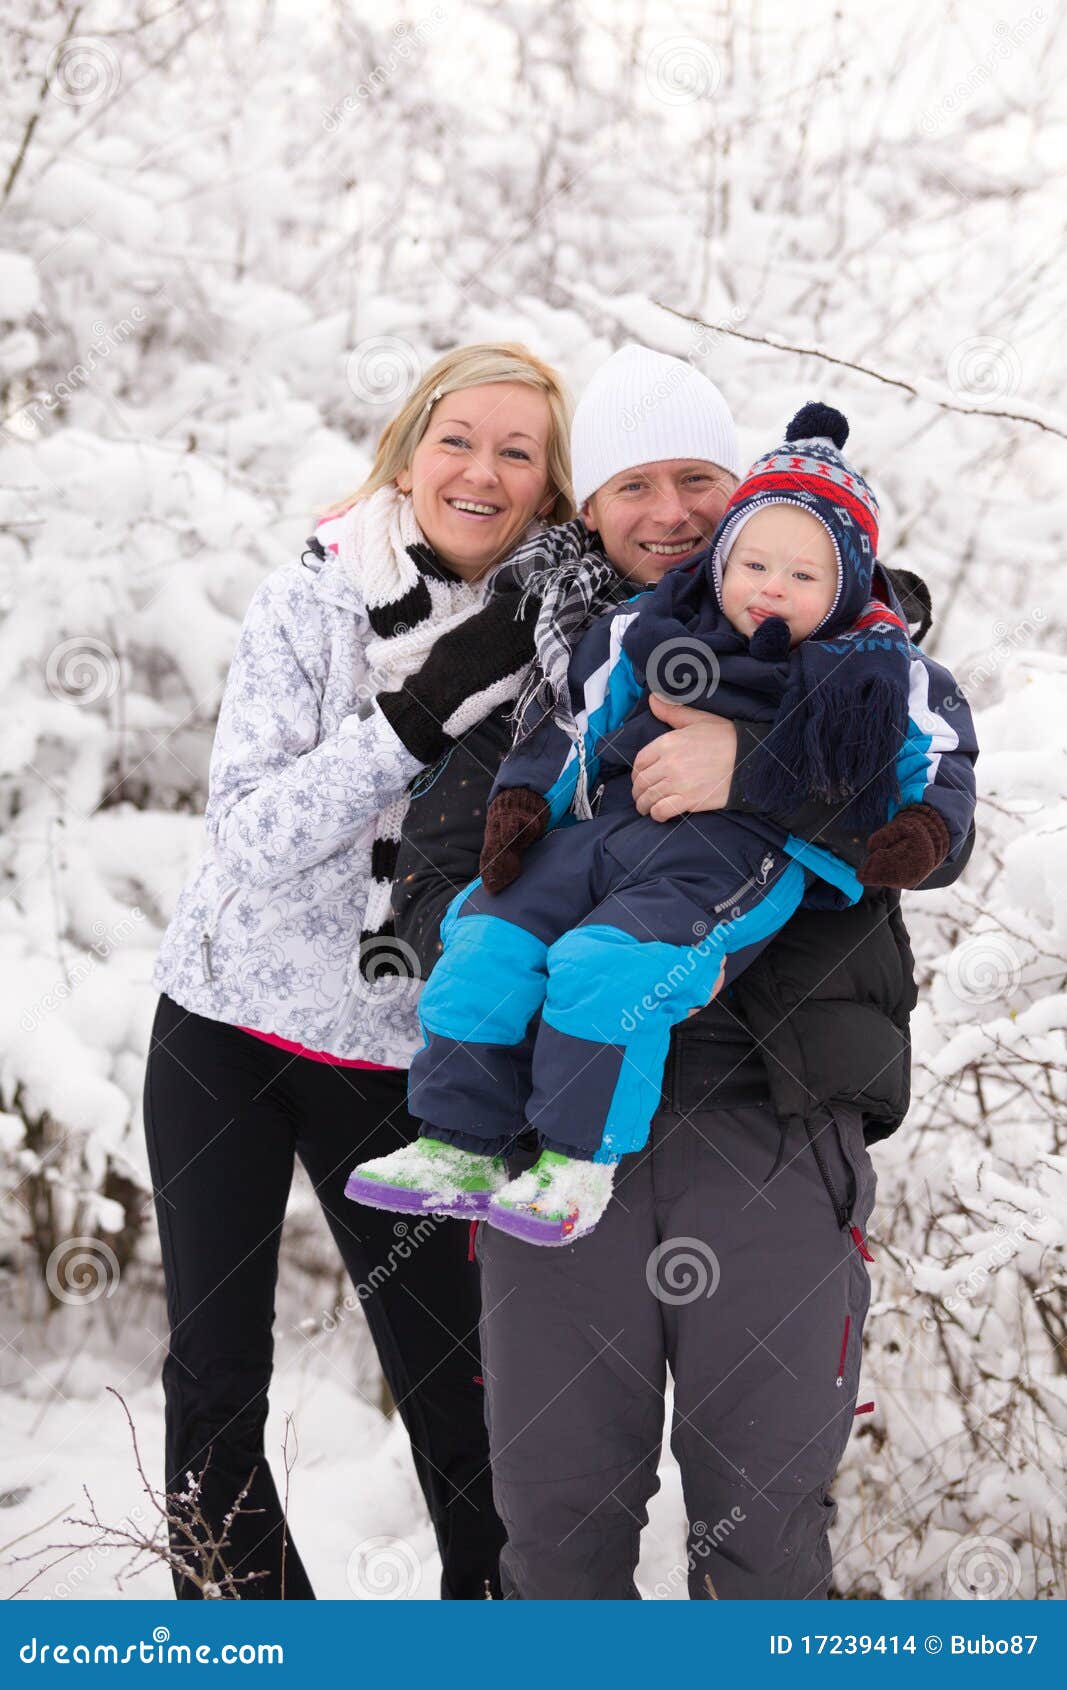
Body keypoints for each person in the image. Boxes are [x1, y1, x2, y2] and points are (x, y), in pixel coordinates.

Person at [383, 344, 976, 1598]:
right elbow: (438, 883)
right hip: (556, 1143)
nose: (667, 511)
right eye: (630, 484)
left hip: (768, 1115)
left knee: (761, 1540)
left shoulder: (856, 653)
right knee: (554, 1533)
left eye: (695, 478)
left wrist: (747, 774)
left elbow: (913, 834)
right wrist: (556, 905)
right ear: (587, 509)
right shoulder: (533, 686)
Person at [142, 341, 574, 1599]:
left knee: (458, 1384)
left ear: (548, 490)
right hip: (223, 1027)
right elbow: (256, 829)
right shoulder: (317, 596)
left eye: (517, 452)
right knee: (216, 1371)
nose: (480, 471)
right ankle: (247, 1635)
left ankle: (493, 1631)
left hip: (406, 1060)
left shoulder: (565, 639)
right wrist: (415, 712)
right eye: (458, 439)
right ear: (409, 446)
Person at [344, 402, 977, 1245]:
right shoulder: (645, 629)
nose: (771, 590)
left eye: (803, 576)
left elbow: (938, 768)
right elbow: (572, 721)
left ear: (848, 583)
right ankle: (457, 1143)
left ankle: (574, 1160)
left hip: (729, 864)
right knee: (487, 935)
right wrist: (523, 802)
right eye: (753, 564)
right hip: (602, 833)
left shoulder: (876, 675)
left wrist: (919, 824)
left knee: (605, 965)